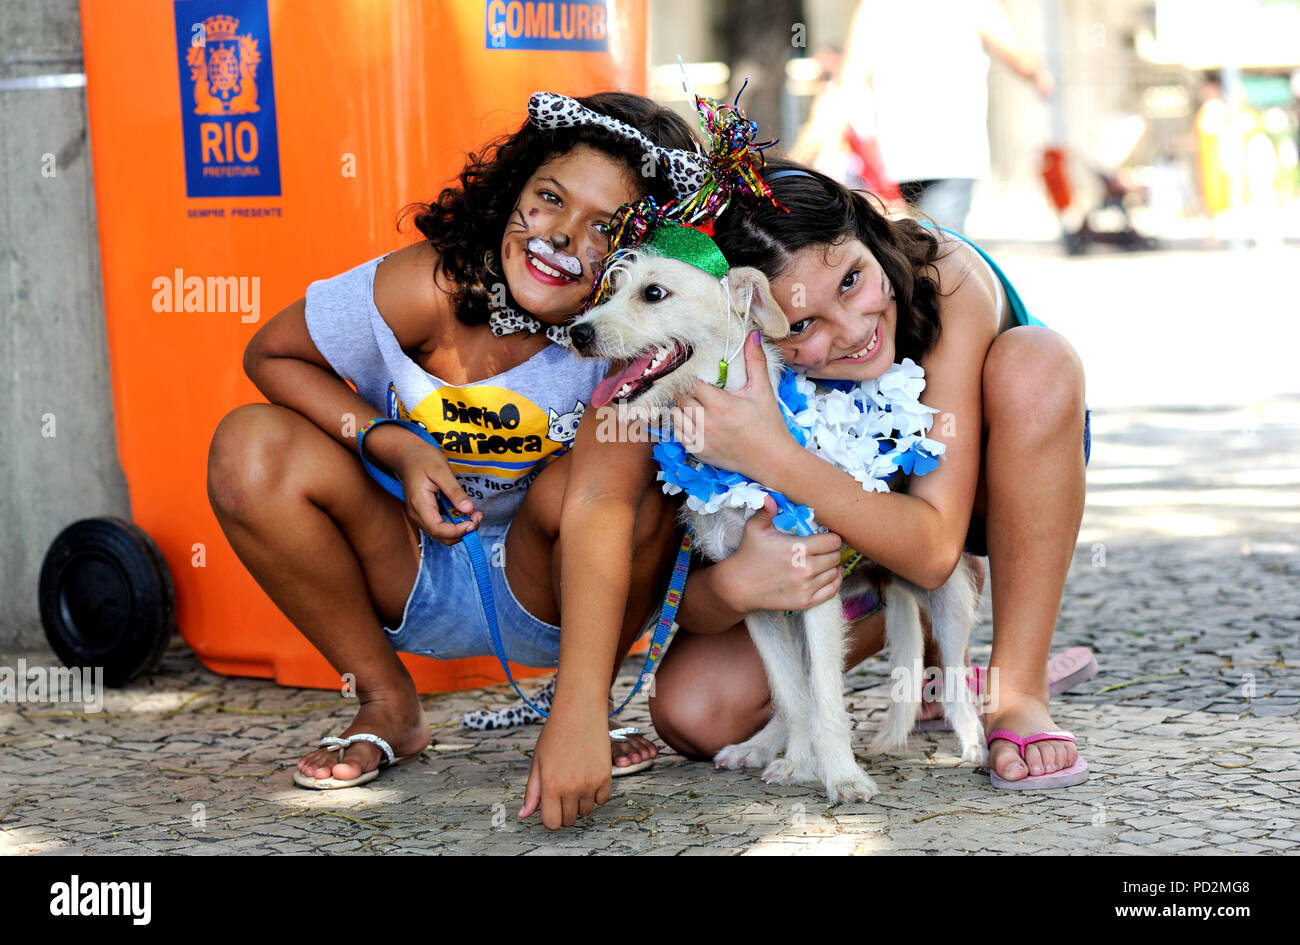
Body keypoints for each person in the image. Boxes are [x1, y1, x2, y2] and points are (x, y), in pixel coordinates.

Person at [206, 91, 704, 829]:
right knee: (247, 446)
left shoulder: (630, 342)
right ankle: (386, 698)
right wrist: (389, 441)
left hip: (557, 592)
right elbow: (270, 354)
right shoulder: (427, 285)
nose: (563, 237)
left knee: (642, 478)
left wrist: (577, 715)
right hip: (403, 561)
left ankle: (586, 704)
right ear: (512, 191)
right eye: (549, 199)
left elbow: (603, 505)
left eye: (605, 228)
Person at [652, 159, 1091, 789]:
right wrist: (733, 587)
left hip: (989, 487)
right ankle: (906, 618)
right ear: (742, 322)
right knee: (698, 713)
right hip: (857, 526)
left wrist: (772, 453)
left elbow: (937, 550)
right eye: (800, 325)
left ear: (866, 229)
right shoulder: (710, 363)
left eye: (854, 279)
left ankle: (1017, 685)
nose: (854, 331)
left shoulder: (943, 275)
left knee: (1037, 363)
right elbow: (682, 595)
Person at [836, 0, 1055, 232]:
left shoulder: (876, 7)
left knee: (915, 243)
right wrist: (1040, 74)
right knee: (941, 248)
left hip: (899, 151)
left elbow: (850, 77)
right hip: (952, 150)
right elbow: (1018, 56)